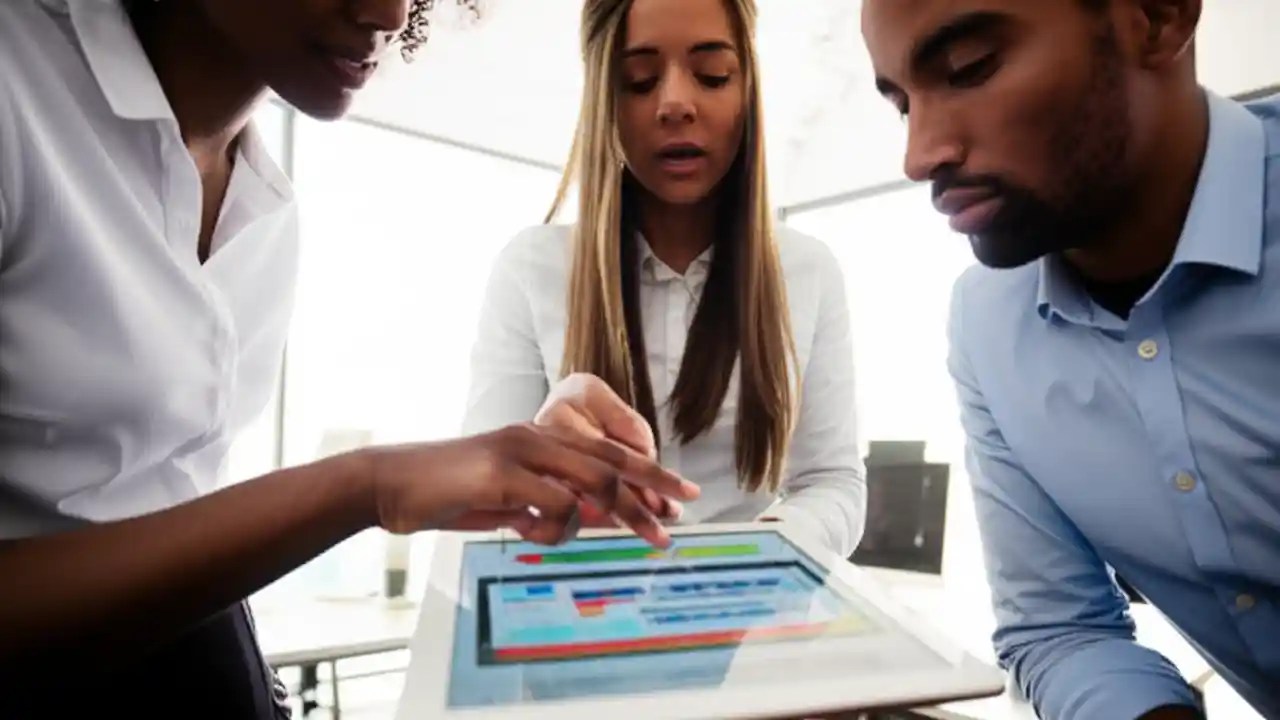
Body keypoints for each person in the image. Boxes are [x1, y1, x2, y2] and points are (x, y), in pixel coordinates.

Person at [0, 1, 699, 717]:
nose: (390, 12)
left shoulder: (266, 207)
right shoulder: (16, 88)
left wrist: (533, 461)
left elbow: (166, 514)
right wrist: (366, 488)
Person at [861, 0, 1279, 717]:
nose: (919, 154)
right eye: (902, 103)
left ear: (1157, 17)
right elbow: (1061, 629)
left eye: (969, 70)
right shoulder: (987, 323)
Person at [461, 0, 866, 557]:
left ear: (747, 88)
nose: (675, 103)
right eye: (639, 80)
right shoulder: (532, 267)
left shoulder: (809, 271)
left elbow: (834, 483)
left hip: (747, 618)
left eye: (713, 75)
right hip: (583, 613)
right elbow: (484, 498)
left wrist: (770, 549)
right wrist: (550, 470)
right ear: (604, 99)